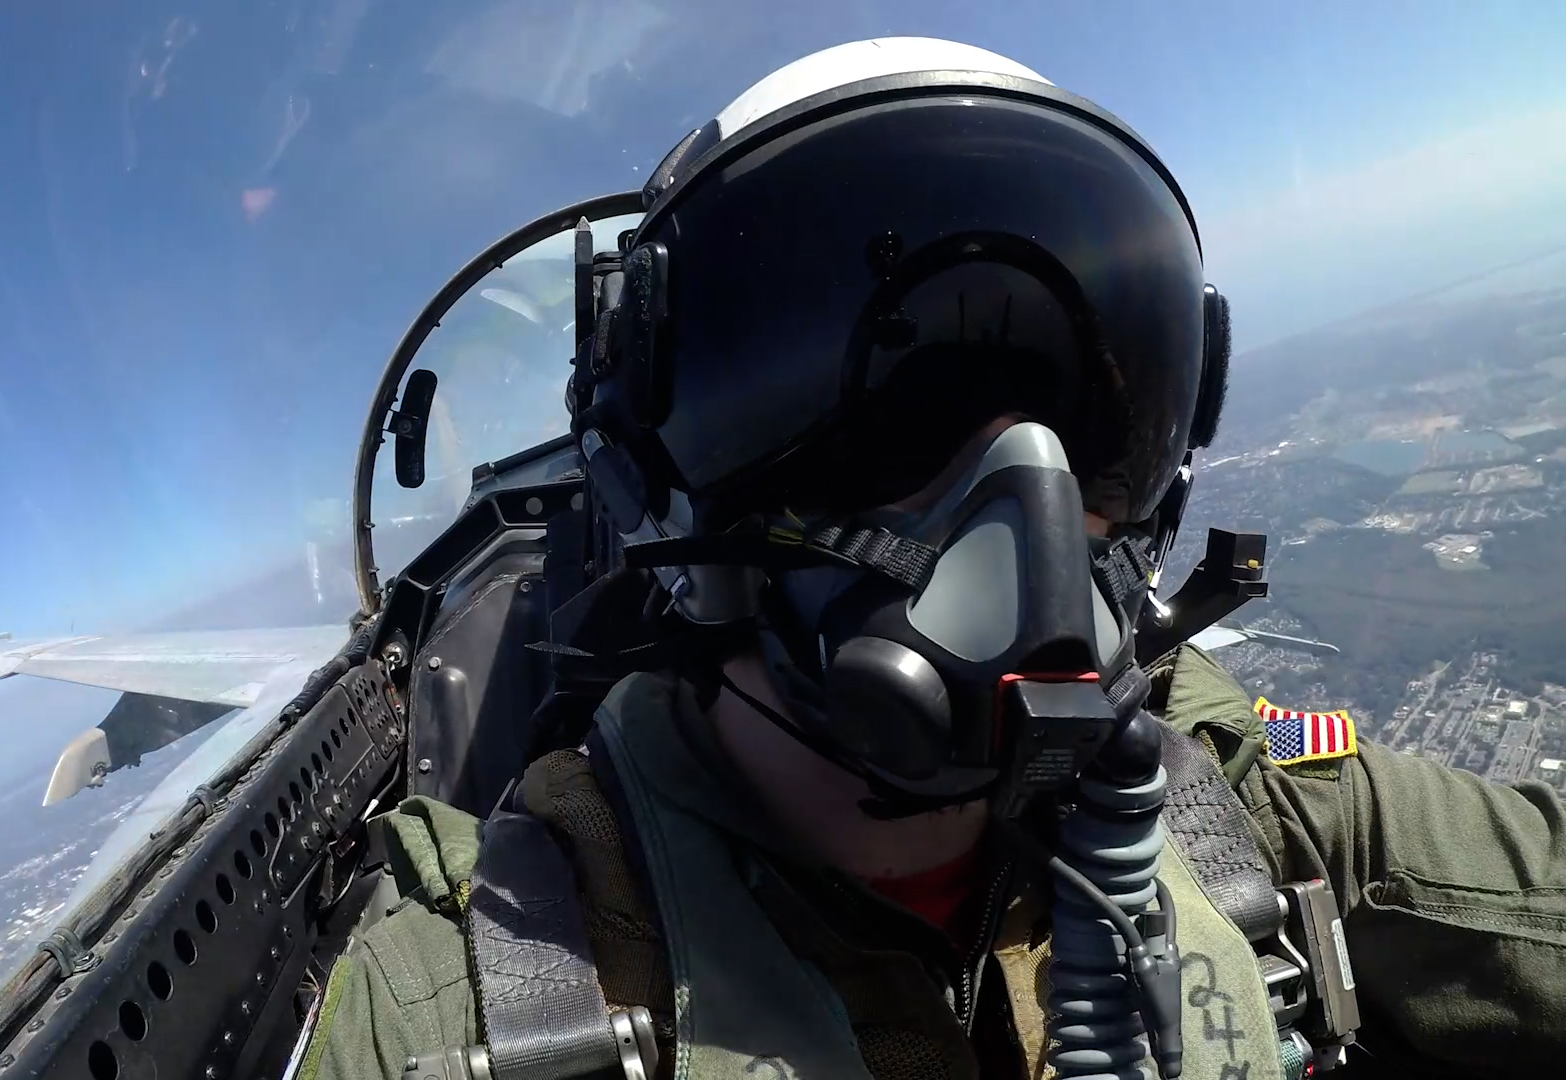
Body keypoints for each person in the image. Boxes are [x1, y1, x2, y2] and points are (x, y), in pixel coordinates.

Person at [295, 39, 1566, 1080]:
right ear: (654, 472)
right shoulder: (463, 1010)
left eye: (1088, 421)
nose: (1032, 506)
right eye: (889, 426)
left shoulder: (1263, 806)